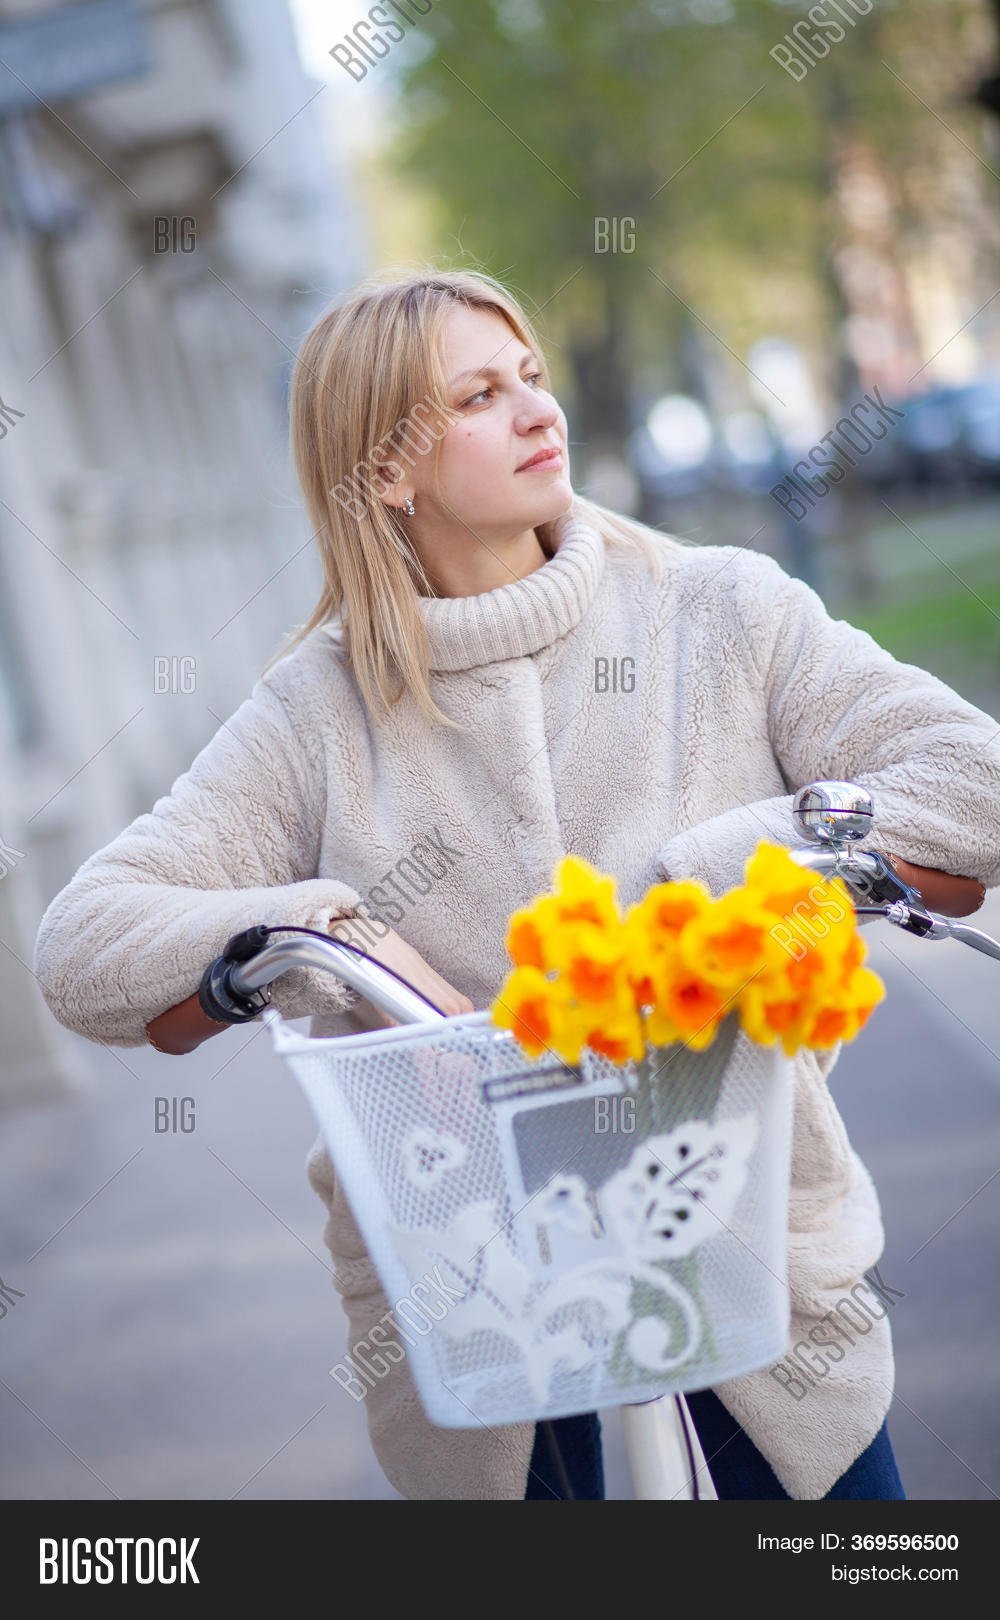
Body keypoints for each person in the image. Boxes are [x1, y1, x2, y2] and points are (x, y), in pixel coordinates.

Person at [34, 266, 997, 1501]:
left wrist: (707, 885)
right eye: (480, 396)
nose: (538, 411)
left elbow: (973, 780)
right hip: (483, 1324)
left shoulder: (719, 610)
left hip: (754, 1273)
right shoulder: (315, 710)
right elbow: (83, 944)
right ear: (387, 471)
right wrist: (334, 931)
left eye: (530, 377)